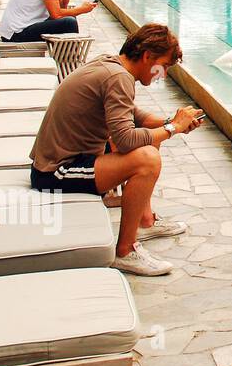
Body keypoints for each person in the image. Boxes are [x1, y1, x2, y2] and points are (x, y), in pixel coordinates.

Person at [29, 23, 204, 276]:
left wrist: (173, 122)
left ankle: (145, 221)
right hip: (56, 173)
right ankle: (125, 251)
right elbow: (124, 139)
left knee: (150, 141)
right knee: (147, 158)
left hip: (68, 162)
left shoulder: (111, 66)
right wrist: (173, 128)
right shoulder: (118, 77)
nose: (162, 74)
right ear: (147, 56)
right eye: (163, 66)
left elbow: (134, 116)